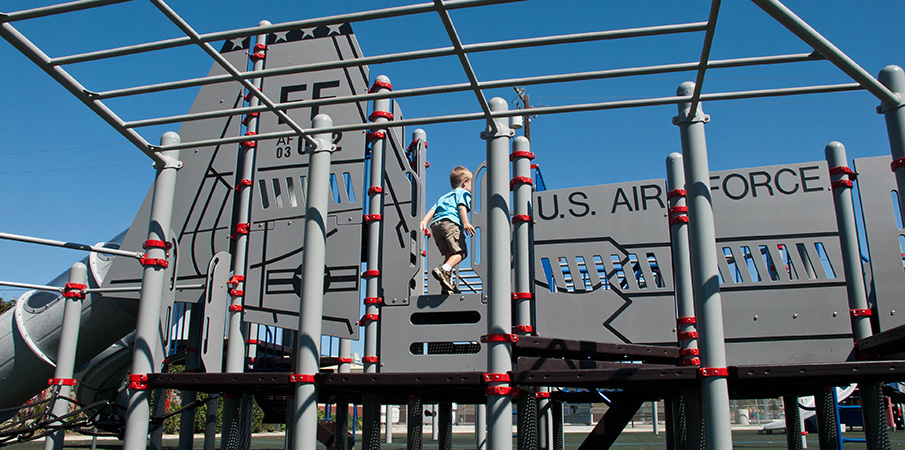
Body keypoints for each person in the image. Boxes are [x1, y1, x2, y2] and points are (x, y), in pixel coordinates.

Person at [420, 166, 475, 293]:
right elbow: (461, 207)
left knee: (449, 255)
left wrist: (424, 221)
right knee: (461, 253)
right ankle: (444, 270)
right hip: (450, 223)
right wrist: (466, 223)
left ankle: (446, 285)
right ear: (465, 181)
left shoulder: (444, 197)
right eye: (472, 183)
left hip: (436, 226)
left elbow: (432, 210)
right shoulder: (463, 193)